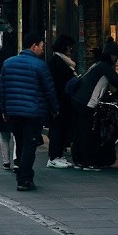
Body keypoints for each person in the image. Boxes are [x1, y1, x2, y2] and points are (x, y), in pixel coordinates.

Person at [0, 32, 57, 192]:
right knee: (29, 145)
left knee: (21, 142)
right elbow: (49, 90)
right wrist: (54, 109)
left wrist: (4, 109)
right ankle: (24, 179)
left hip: (13, 112)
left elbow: (1, 88)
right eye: (42, 46)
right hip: (33, 112)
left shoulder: (8, 63)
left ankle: (25, 174)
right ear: (34, 46)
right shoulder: (39, 65)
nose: (42, 50)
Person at [69, 41, 118, 170]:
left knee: (79, 131)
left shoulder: (97, 65)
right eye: (116, 56)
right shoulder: (105, 67)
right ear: (111, 55)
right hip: (86, 103)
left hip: (78, 100)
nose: (117, 58)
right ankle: (88, 162)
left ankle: (78, 160)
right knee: (87, 132)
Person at [46, 34, 78, 169]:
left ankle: (58, 155)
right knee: (58, 129)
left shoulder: (62, 61)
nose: (72, 50)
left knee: (61, 128)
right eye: (70, 47)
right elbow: (58, 84)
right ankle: (54, 156)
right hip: (60, 101)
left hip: (62, 101)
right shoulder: (57, 62)